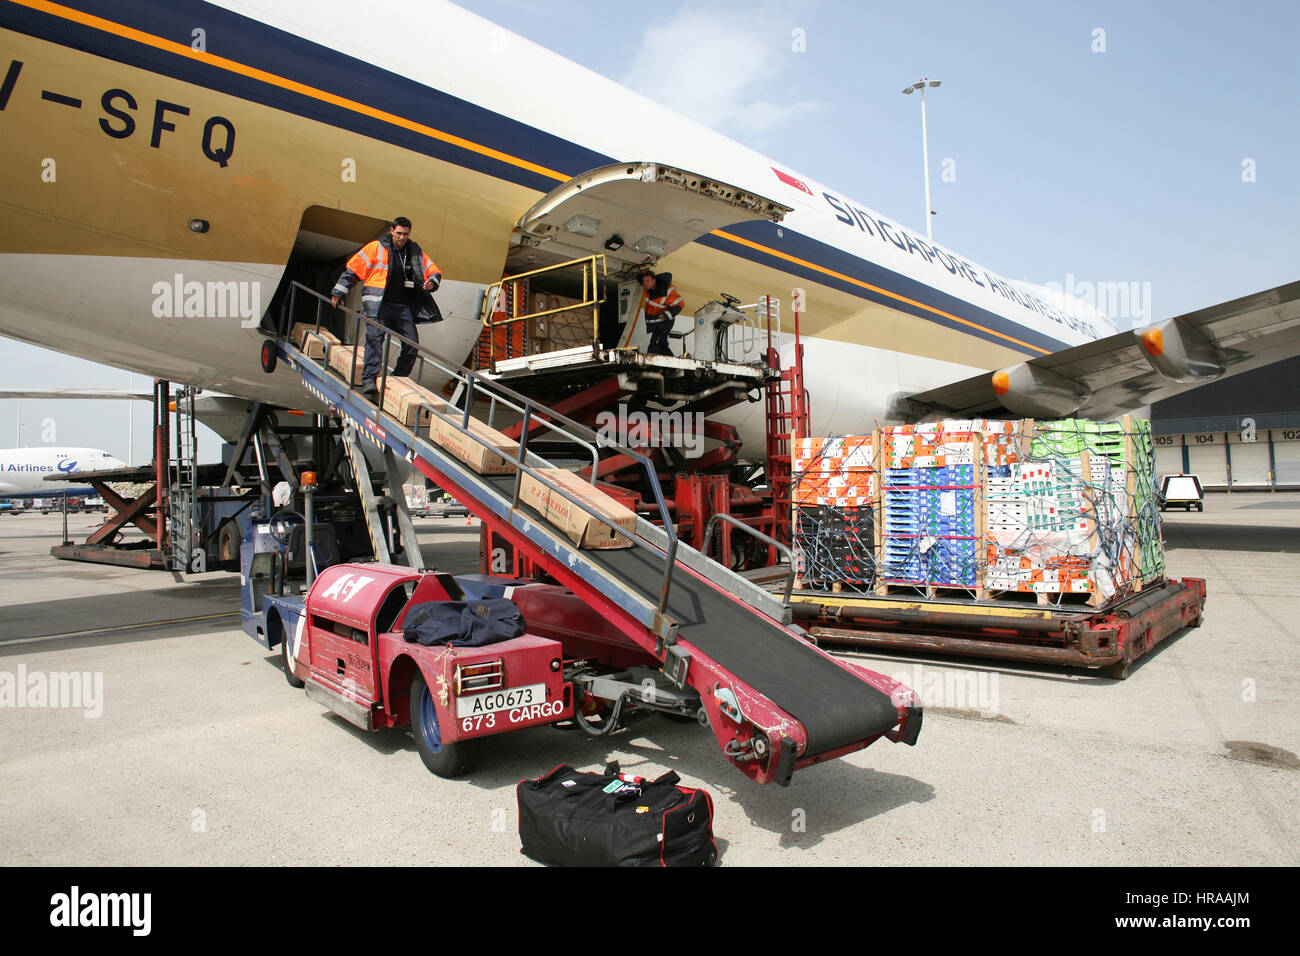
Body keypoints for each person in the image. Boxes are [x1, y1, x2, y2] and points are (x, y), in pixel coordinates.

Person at [330, 217, 442, 394]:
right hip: (378, 304)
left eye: (405, 234)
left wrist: (432, 282)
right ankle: (369, 380)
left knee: (412, 344)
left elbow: (433, 270)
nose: (402, 237)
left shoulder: (413, 251)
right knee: (374, 340)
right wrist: (338, 292)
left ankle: (396, 378)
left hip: (402, 306)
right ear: (391, 231)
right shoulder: (376, 247)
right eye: (398, 233)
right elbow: (354, 270)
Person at [638, 268, 684, 357]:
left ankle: (650, 362)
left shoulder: (667, 290)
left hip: (665, 322)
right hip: (656, 324)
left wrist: (667, 315)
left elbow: (679, 304)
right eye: (644, 281)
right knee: (662, 345)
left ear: (653, 280)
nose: (645, 283)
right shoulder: (649, 290)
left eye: (648, 280)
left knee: (655, 344)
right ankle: (673, 363)